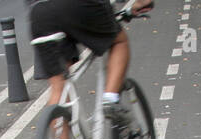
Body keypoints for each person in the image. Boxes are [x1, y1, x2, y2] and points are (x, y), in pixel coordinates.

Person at [27, 0, 155, 128]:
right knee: (119, 42)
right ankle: (110, 100)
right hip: (78, 6)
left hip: (40, 13)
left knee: (58, 88)